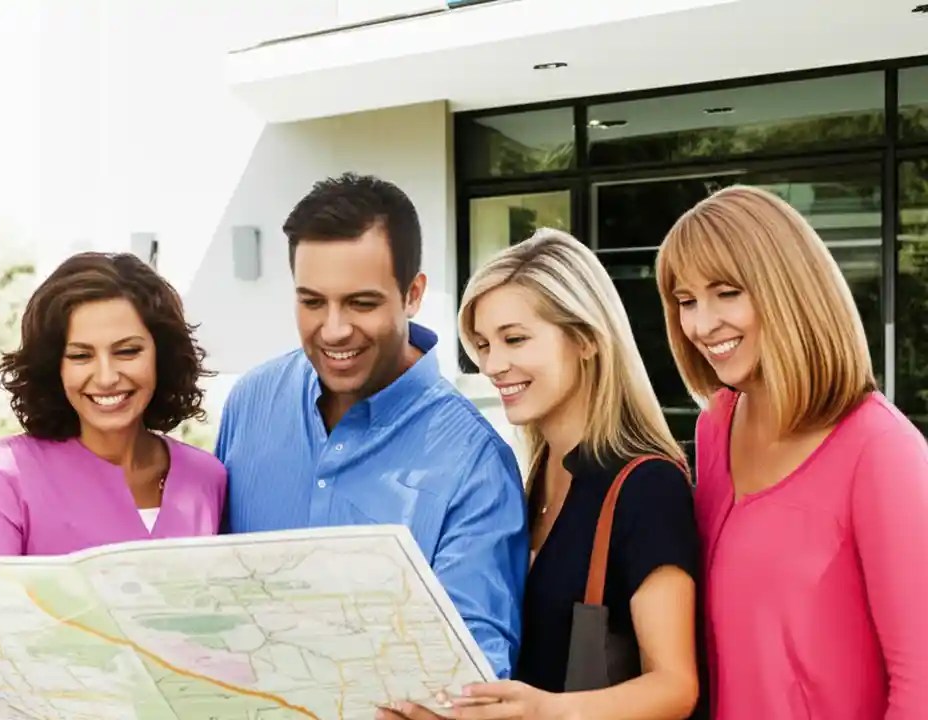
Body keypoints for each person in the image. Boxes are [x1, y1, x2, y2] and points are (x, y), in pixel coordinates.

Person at [215, 172, 528, 680]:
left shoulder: (475, 462)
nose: (334, 329)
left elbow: (472, 676)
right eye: (312, 301)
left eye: (361, 303)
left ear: (412, 294)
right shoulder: (251, 403)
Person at [382, 229, 700, 720]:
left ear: (587, 340)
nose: (493, 364)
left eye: (515, 339)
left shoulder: (648, 486)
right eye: (484, 344)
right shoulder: (531, 476)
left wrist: (547, 712)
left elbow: (676, 686)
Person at [655, 185, 928, 719]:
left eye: (727, 292)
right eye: (686, 301)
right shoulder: (716, 426)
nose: (702, 324)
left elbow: (922, 684)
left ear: (787, 289)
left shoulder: (882, 451)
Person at [0, 252, 226, 556]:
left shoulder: (206, 478)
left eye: (128, 351)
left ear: (162, 355)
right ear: (54, 366)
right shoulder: (3, 477)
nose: (106, 378)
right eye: (81, 356)